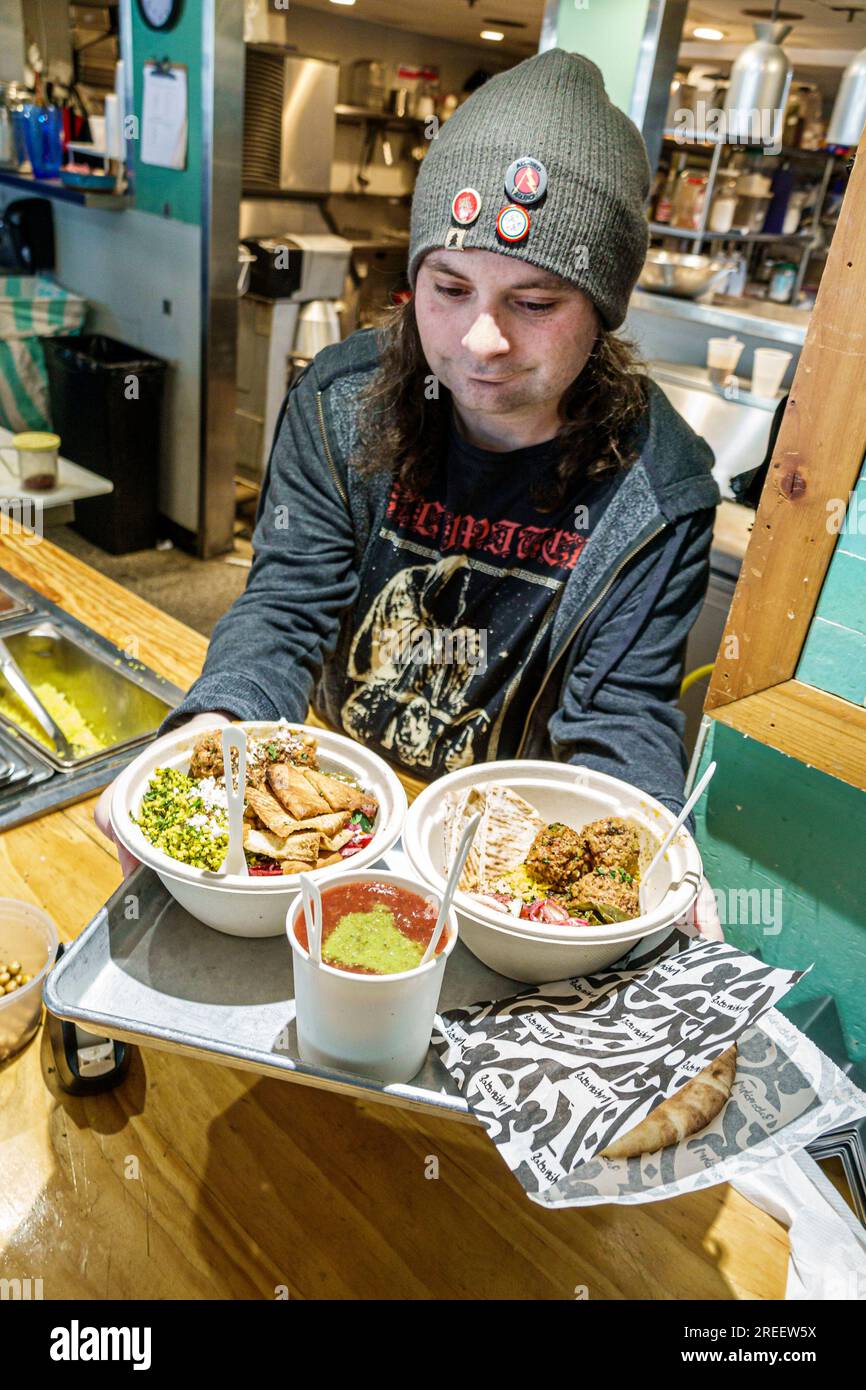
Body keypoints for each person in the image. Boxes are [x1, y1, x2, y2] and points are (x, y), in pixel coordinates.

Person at [97, 49, 722, 926]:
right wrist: (216, 731)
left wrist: (649, 850)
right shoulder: (341, 404)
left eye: (535, 303)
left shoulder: (661, 491)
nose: (480, 340)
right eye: (451, 286)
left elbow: (619, 716)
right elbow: (284, 606)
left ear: (603, 309)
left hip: (503, 862)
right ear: (413, 280)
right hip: (332, 811)